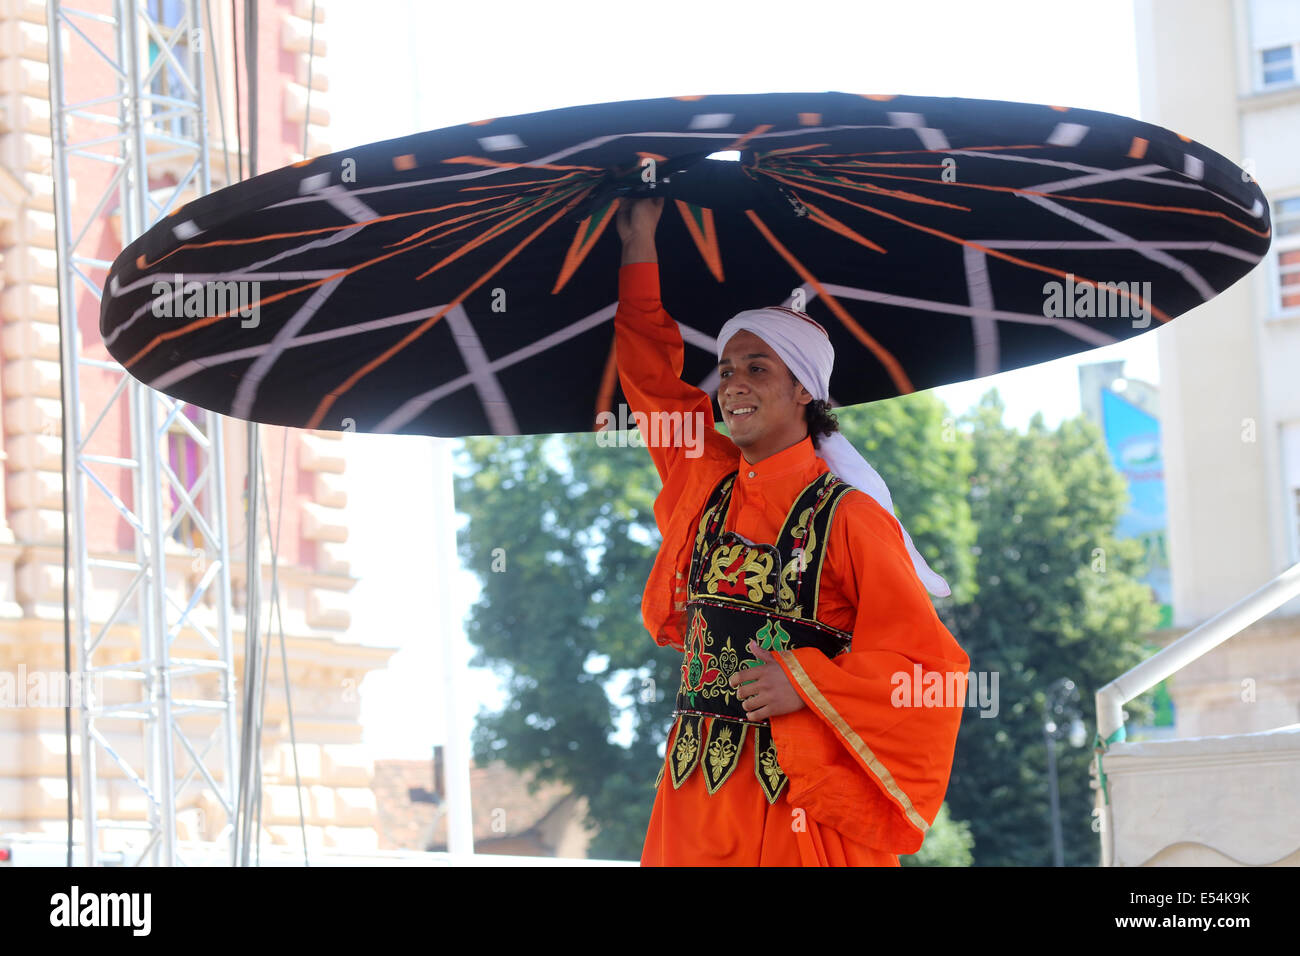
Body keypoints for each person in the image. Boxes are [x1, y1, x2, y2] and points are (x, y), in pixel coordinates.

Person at [614, 196, 970, 867]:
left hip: (801, 806)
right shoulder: (705, 479)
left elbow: (932, 671)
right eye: (726, 369)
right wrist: (639, 248)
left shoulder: (850, 518)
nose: (733, 385)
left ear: (804, 390)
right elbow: (650, 379)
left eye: (757, 368)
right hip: (695, 794)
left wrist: (807, 681)